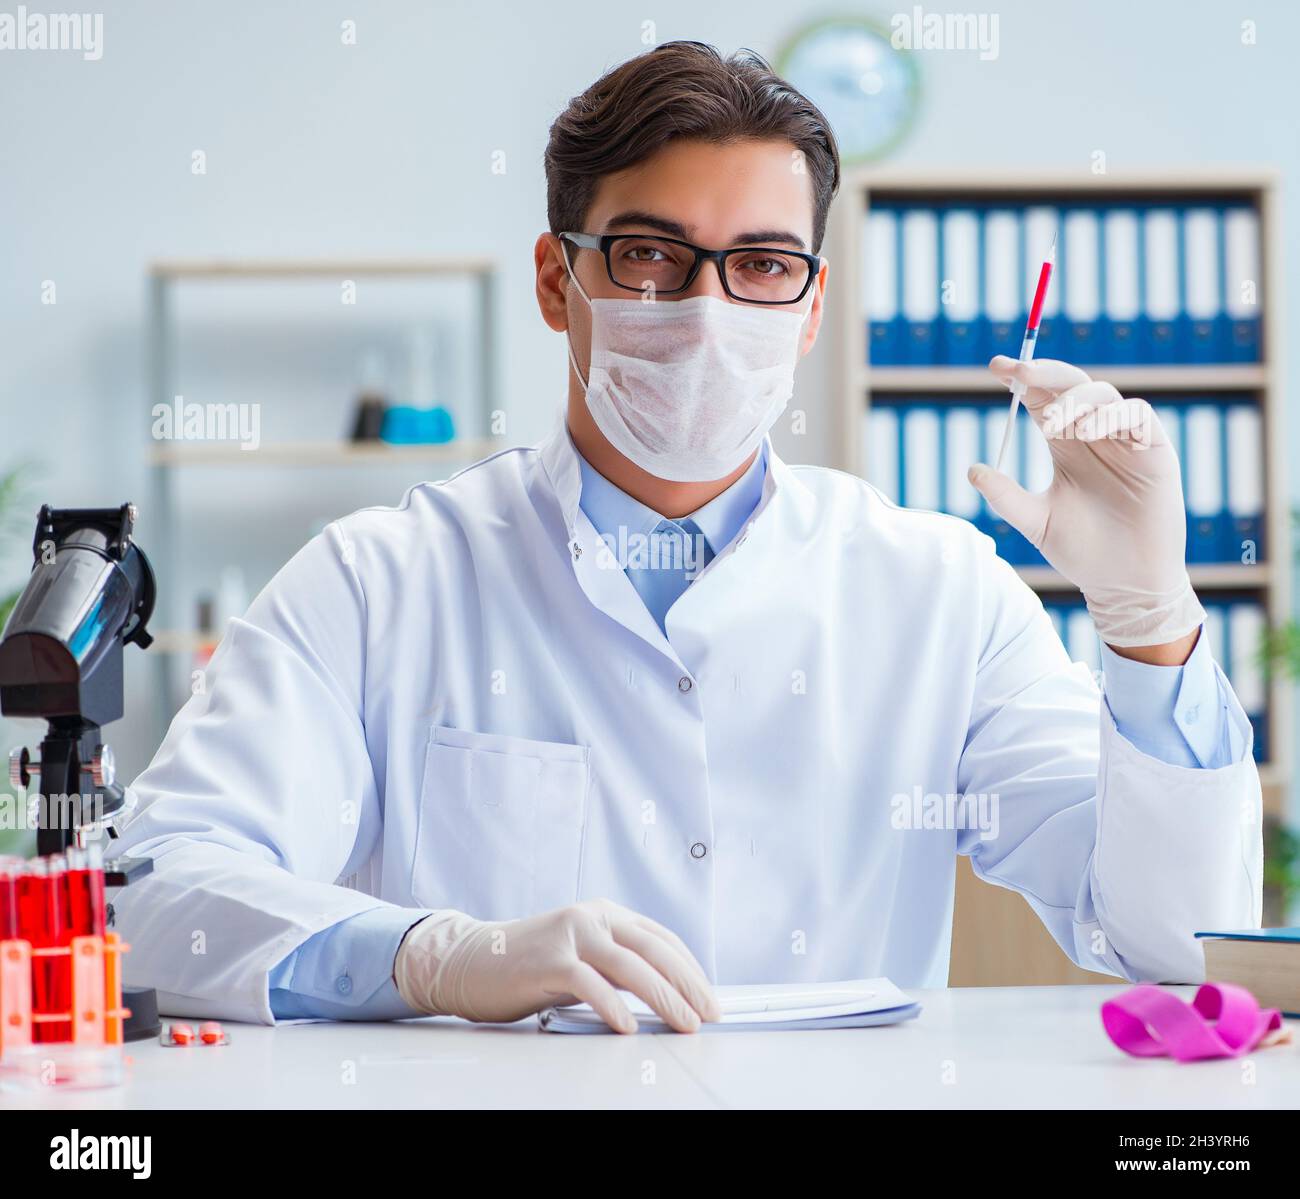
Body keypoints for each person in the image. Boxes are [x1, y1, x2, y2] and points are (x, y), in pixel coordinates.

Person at [112, 42, 1261, 1033]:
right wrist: (435, 954)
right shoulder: (379, 580)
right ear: (558, 281)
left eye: (762, 263)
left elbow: (1175, 943)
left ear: (809, 307)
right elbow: (153, 890)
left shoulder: (939, 591)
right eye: (652, 255)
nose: (706, 308)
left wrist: (1149, 623)